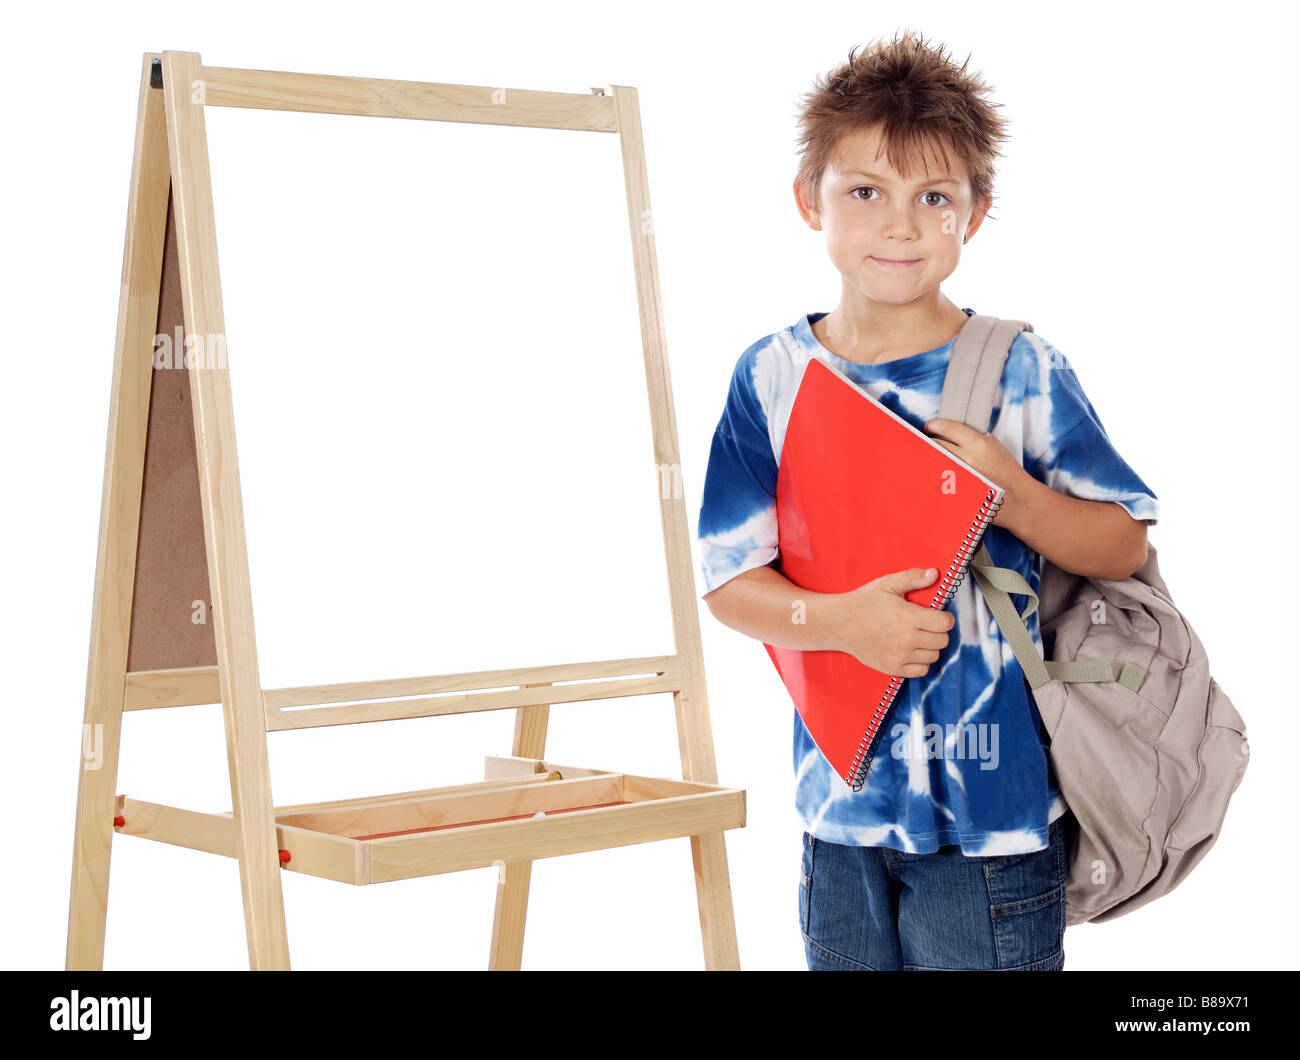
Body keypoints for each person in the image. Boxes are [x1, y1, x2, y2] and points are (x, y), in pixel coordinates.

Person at [695, 29, 1159, 971]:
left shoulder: (1020, 368)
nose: (899, 226)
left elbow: (1121, 544)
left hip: (992, 830)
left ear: (974, 215)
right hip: (839, 816)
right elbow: (727, 579)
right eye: (864, 192)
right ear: (808, 201)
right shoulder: (774, 375)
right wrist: (838, 624)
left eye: (933, 198)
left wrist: (1015, 495)